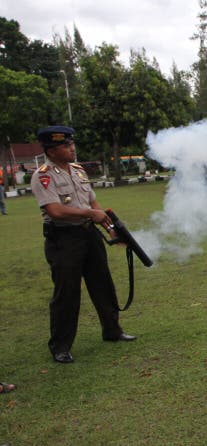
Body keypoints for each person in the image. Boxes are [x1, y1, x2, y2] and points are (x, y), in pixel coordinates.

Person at [31, 126, 136, 364]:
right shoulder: (43, 175)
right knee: (67, 293)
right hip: (64, 239)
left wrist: (112, 231)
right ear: (52, 150)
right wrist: (89, 213)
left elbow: (94, 204)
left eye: (71, 144)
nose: (72, 148)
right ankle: (60, 346)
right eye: (66, 145)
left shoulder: (78, 171)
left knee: (103, 285)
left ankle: (112, 330)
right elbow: (55, 211)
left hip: (89, 235)